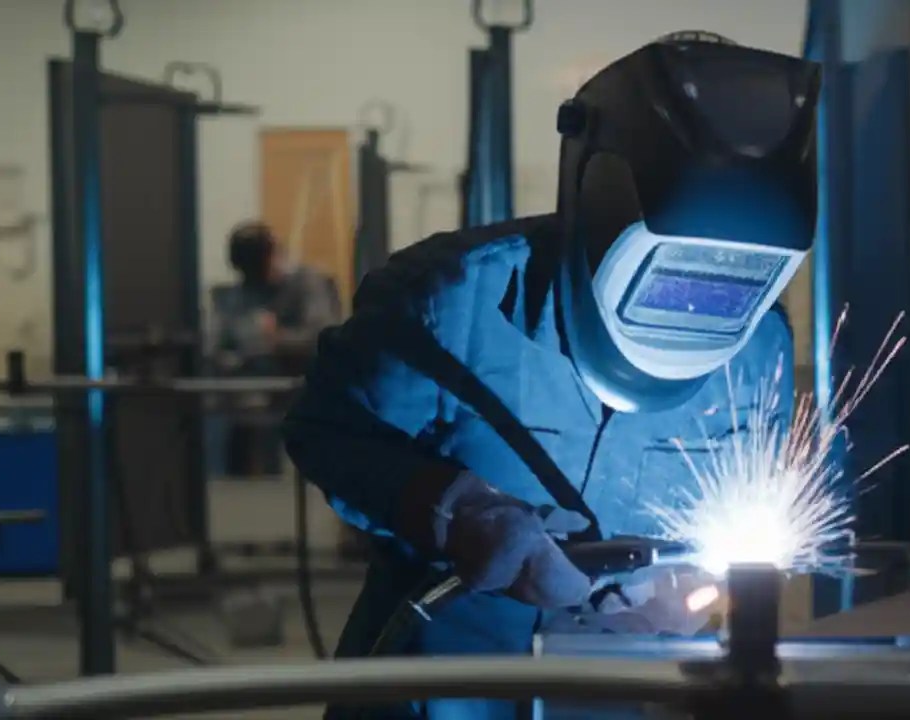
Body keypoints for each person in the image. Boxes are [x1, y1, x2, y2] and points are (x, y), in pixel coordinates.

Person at [283, 32, 819, 720]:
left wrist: (698, 588)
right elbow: (325, 430)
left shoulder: (760, 347)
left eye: (735, 282)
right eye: (673, 269)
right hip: (443, 690)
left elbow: (772, 492)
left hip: (625, 694)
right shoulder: (453, 301)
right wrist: (450, 508)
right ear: (604, 201)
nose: (695, 304)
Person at [215, 222, 341, 477]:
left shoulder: (305, 283)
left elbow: (322, 335)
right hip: (254, 392)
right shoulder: (244, 292)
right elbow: (224, 342)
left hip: (301, 389)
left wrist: (276, 339)